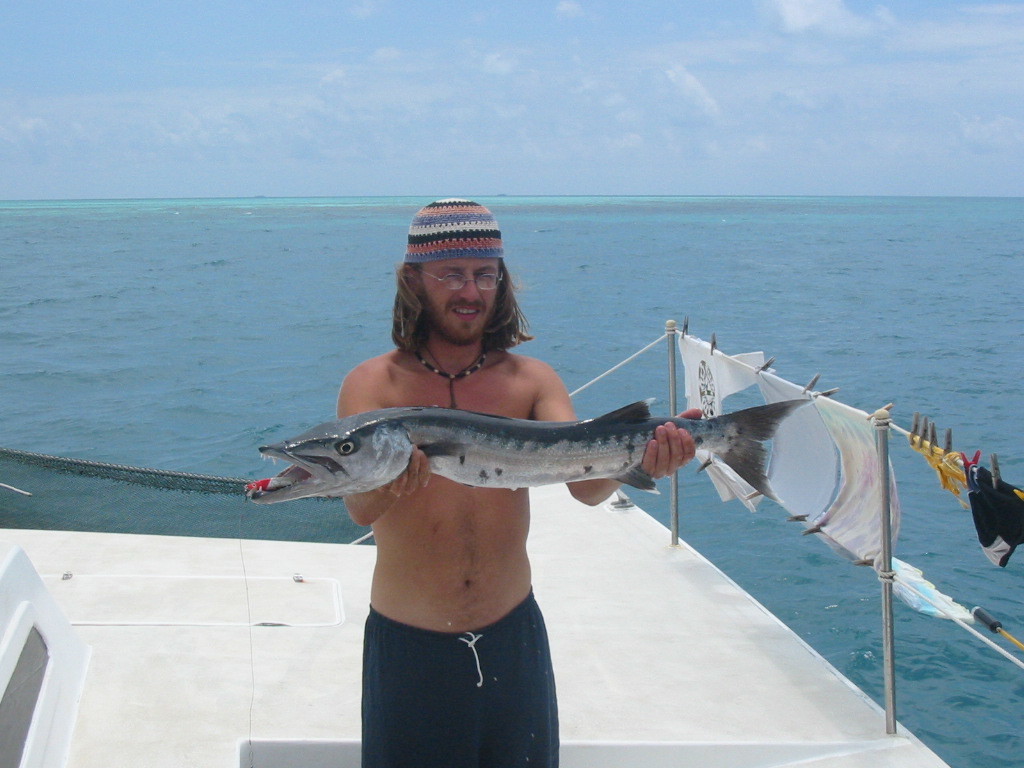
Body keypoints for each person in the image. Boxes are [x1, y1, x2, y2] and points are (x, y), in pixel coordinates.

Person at [336, 199, 699, 768]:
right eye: (452, 273)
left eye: (485, 274)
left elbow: (586, 485)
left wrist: (646, 462)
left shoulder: (532, 379)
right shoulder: (373, 385)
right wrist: (394, 479)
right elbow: (359, 509)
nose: (471, 291)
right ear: (414, 279)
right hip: (409, 647)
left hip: (513, 639)